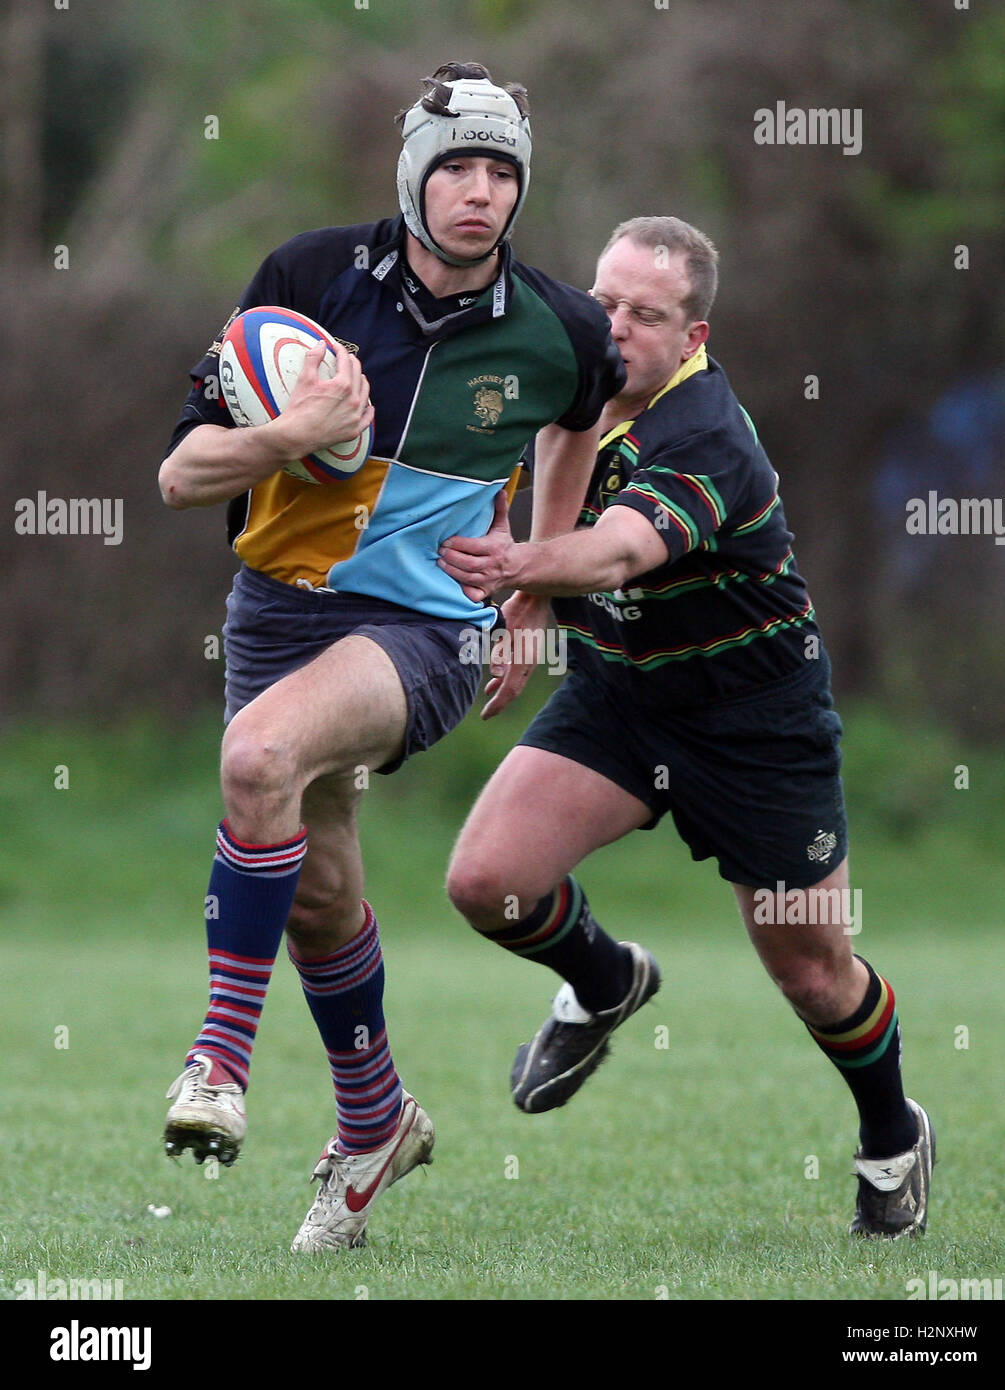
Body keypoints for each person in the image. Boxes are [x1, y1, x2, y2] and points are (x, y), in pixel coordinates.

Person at [156, 61, 624, 1253]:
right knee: (314, 885)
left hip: (428, 628)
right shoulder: (304, 281)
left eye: (502, 172)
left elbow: (586, 412)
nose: (481, 193)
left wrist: (538, 576)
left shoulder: (558, 325)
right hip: (276, 613)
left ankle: (218, 1060)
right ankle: (376, 1124)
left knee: (258, 757)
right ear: (415, 176)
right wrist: (287, 435)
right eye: (458, 167)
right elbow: (179, 476)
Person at [440, 216, 935, 1239]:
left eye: (643, 315)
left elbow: (619, 551)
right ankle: (604, 979)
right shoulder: (583, 361)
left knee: (809, 967)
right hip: (624, 697)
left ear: (693, 334)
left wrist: (517, 573)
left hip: (756, 720)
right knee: (487, 882)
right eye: (604, 299)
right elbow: (563, 429)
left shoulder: (705, 435)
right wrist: (534, 601)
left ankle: (891, 1137)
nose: (612, 327)